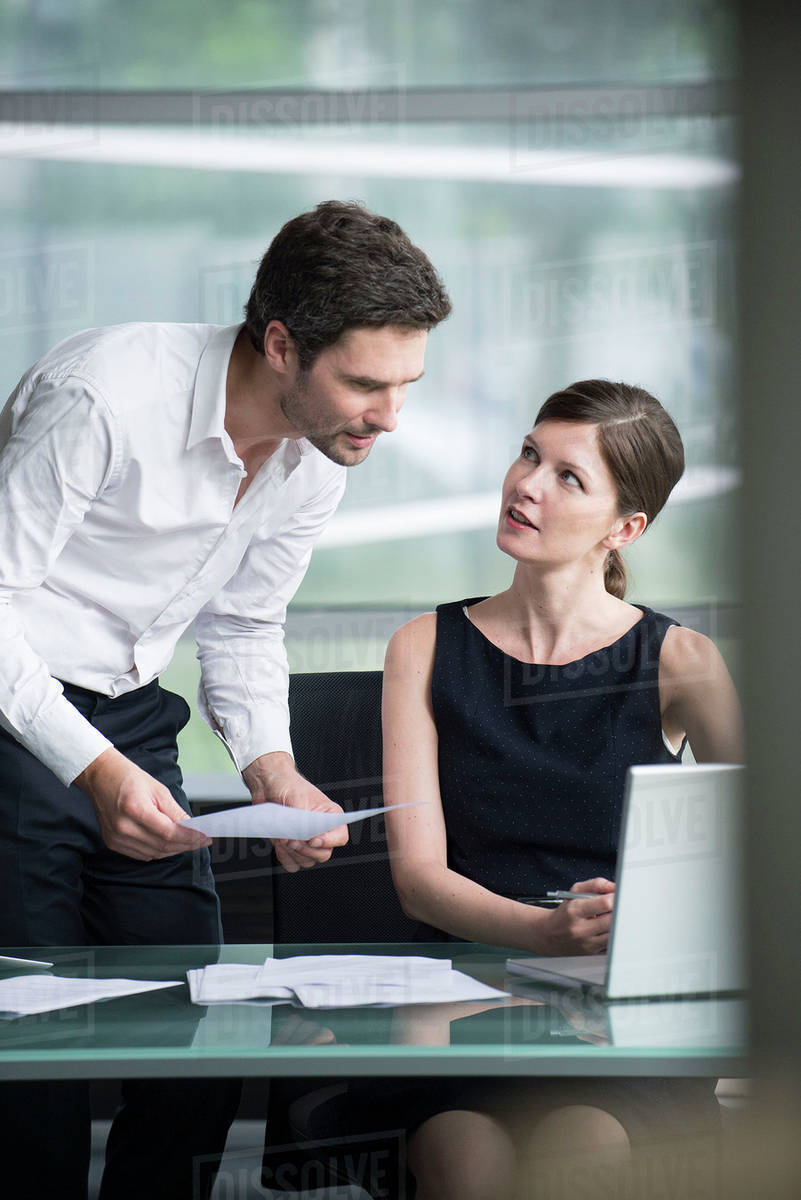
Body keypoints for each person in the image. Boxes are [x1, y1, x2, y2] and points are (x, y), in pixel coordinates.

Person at [0, 200, 451, 1200]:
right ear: (282, 344)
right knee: (30, 1045)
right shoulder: (103, 397)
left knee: (190, 1023)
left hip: (129, 708)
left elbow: (243, 627)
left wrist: (274, 769)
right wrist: (95, 771)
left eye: (406, 386)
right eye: (366, 384)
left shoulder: (317, 456)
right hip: (14, 710)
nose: (388, 418)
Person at [310, 379, 742, 1199]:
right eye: (527, 454)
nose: (526, 484)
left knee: (578, 1149)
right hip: (459, 1005)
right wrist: (542, 934)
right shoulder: (424, 645)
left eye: (567, 477)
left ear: (624, 529)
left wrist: (648, 919)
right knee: (462, 1160)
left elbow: (761, 851)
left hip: (620, 1017)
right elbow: (419, 880)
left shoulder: (682, 662)